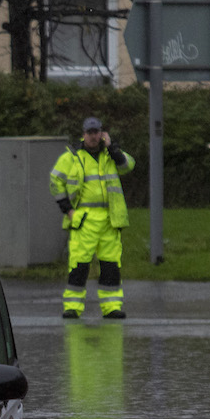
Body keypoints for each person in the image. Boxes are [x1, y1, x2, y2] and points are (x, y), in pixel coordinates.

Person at [49, 116, 135, 319]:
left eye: (97, 132)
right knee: (79, 265)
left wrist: (113, 148)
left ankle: (112, 307)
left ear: (102, 133)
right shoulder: (72, 156)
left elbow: (128, 165)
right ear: (84, 134)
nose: (93, 137)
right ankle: (72, 307)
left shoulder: (110, 154)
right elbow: (55, 181)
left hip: (109, 220)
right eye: (90, 133)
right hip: (84, 219)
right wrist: (68, 210)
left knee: (111, 265)